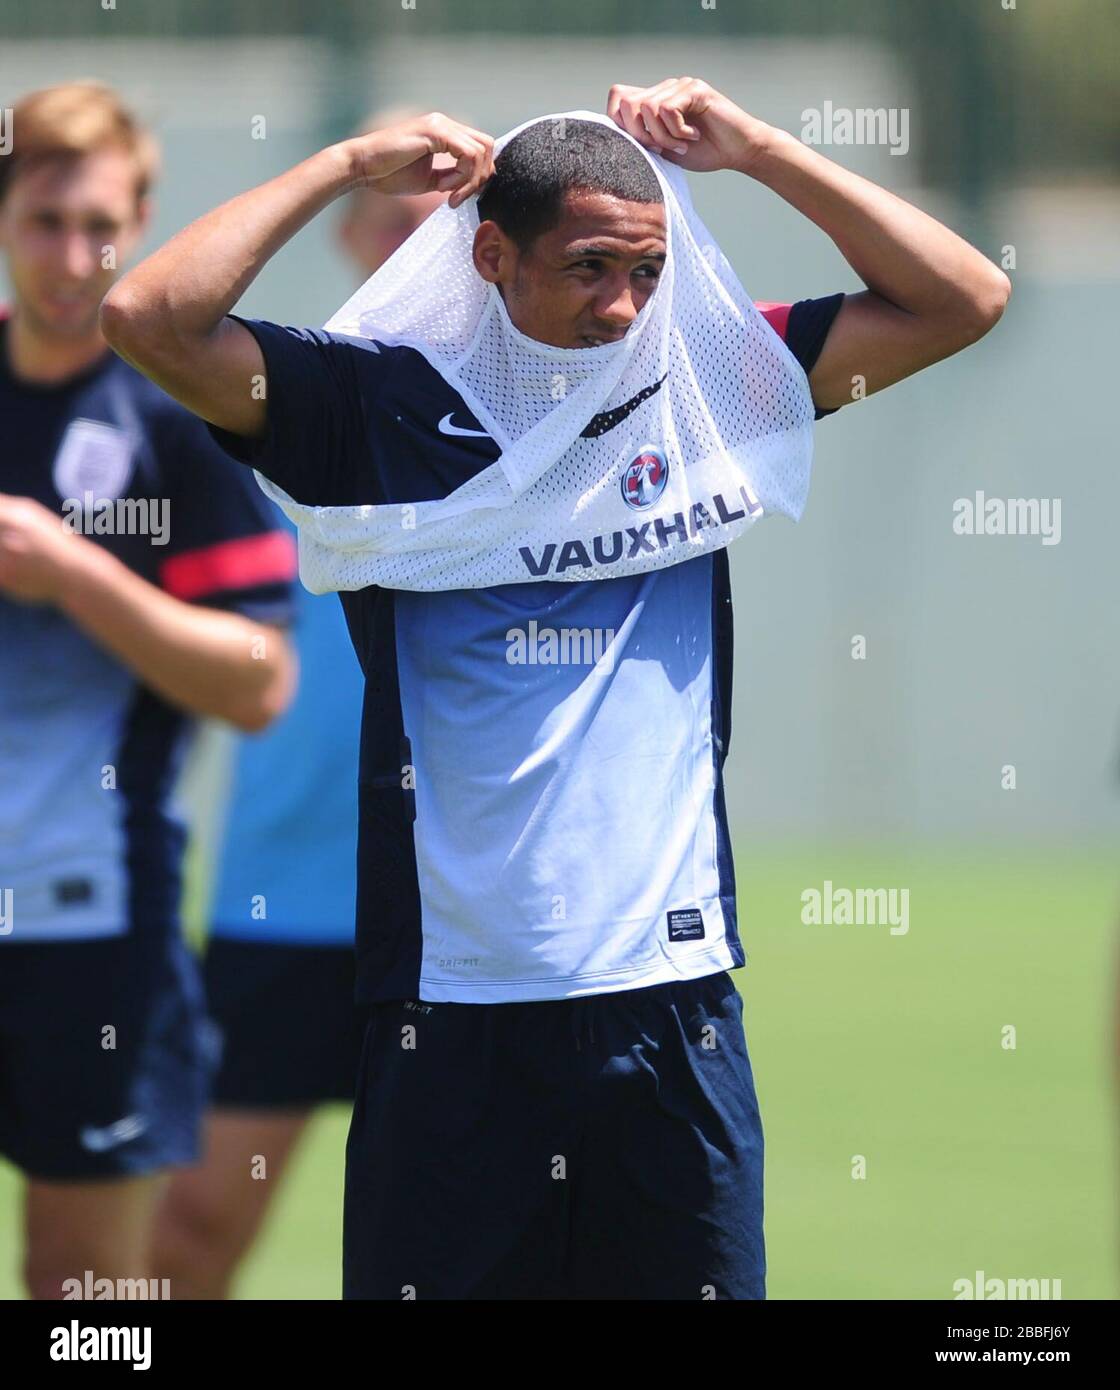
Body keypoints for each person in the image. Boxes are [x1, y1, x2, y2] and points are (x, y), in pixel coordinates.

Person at [101, 77, 1010, 1299]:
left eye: (645, 269)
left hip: (671, 1008)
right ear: (488, 254)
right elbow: (151, 316)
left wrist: (759, 149)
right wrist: (344, 163)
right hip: (449, 1018)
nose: (624, 304)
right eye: (588, 267)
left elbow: (966, 297)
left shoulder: (707, 385)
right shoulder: (374, 408)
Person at [0, 81, 297, 1300]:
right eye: (45, 222)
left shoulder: (174, 424)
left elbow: (260, 679)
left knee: (84, 1294)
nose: (75, 258)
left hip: (88, 925)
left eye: (100, 226)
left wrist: (75, 575)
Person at [152, 105, 453, 1300]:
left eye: (441, 224)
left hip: (457, 917)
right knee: (186, 1240)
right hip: (281, 899)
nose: (411, 245)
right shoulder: (273, 395)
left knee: (458, 1251)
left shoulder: (528, 413)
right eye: (388, 220)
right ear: (348, 237)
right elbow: (164, 321)